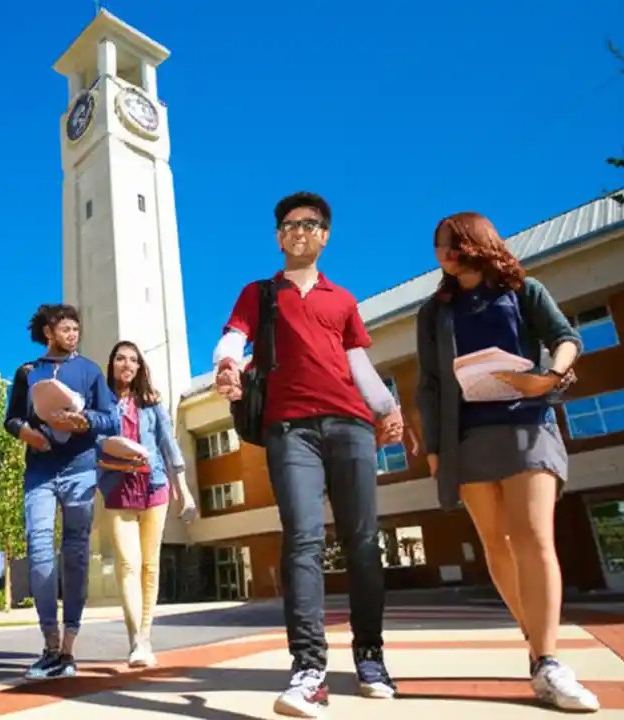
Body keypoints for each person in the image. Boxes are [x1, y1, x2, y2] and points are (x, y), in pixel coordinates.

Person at [213, 191, 405, 718]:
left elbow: (358, 362)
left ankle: (370, 656)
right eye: (290, 224)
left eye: (311, 224)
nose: (300, 231)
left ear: (325, 235)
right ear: (279, 237)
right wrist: (228, 366)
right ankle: (308, 669)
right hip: (289, 428)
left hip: (351, 426)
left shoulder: (342, 299)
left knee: (363, 541)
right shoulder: (259, 292)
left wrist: (388, 408)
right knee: (301, 538)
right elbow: (233, 338)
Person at [415, 211, 599, 712]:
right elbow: (429, 385)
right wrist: (434, 450)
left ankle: (549, 660)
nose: (445, 253)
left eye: (453, 242)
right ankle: (538, 648)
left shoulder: (524, 290)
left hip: (527, 425)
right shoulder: (434, 311)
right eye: (439, 245)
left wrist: (549, 376)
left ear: (479, 241)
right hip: (466, 437)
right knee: (496, 543)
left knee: (533, 535)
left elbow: (566, 338)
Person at [4, 303, 119, 680]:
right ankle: (49, 644)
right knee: (39, 550)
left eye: (76, 329)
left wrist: (84, 419)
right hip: (39, 470)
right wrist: (27, 433)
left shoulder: (89, 370)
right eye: (66, 328)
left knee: (75, 554)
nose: (73, 334)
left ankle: (69, 648)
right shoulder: (28, 372)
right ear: (49, 332)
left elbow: (111, 418)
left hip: (81, 470)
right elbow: (12, 418)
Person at [97, 340, 197, 668]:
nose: (126, 364)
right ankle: (134, 640)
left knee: (149, 565)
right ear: (112, 364)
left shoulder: (152, 403)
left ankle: (145, 635)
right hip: (117, 488)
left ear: (139, 367)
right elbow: (92, 445)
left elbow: (169, 445)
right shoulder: (100, 401)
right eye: (120, 359)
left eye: (133, 360)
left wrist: (183, 487)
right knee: (128, 563)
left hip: (154, 485)